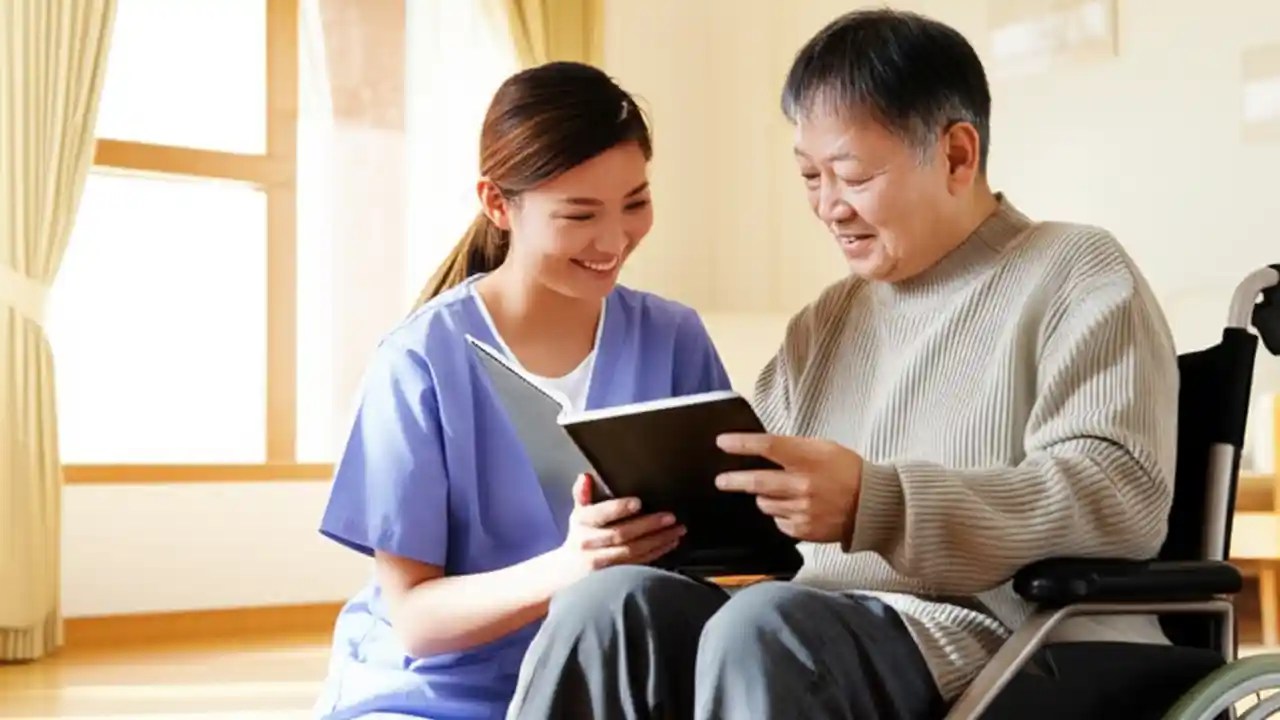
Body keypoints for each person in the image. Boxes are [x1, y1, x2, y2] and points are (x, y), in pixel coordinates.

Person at [504, 10, 1225, 720]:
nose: (828, 207)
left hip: (1004, 636)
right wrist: (659, 517)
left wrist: (875, 504)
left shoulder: (1076, 272)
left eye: (850, 175)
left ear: (956, 155)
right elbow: (762, 517)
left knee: (764, 626)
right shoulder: (825, 323)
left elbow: (1117, 499)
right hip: (811, 625)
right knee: (609, 605)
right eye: (810, 176)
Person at [312, 61, 731, 720]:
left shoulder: (674, 339)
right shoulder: (419, 360)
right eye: (579, 214)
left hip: (612, 682)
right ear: (498, 204)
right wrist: (572, 567)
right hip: (437, 695)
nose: (615, 239)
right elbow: (416, 620)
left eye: (636, 203)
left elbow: (722, 552)